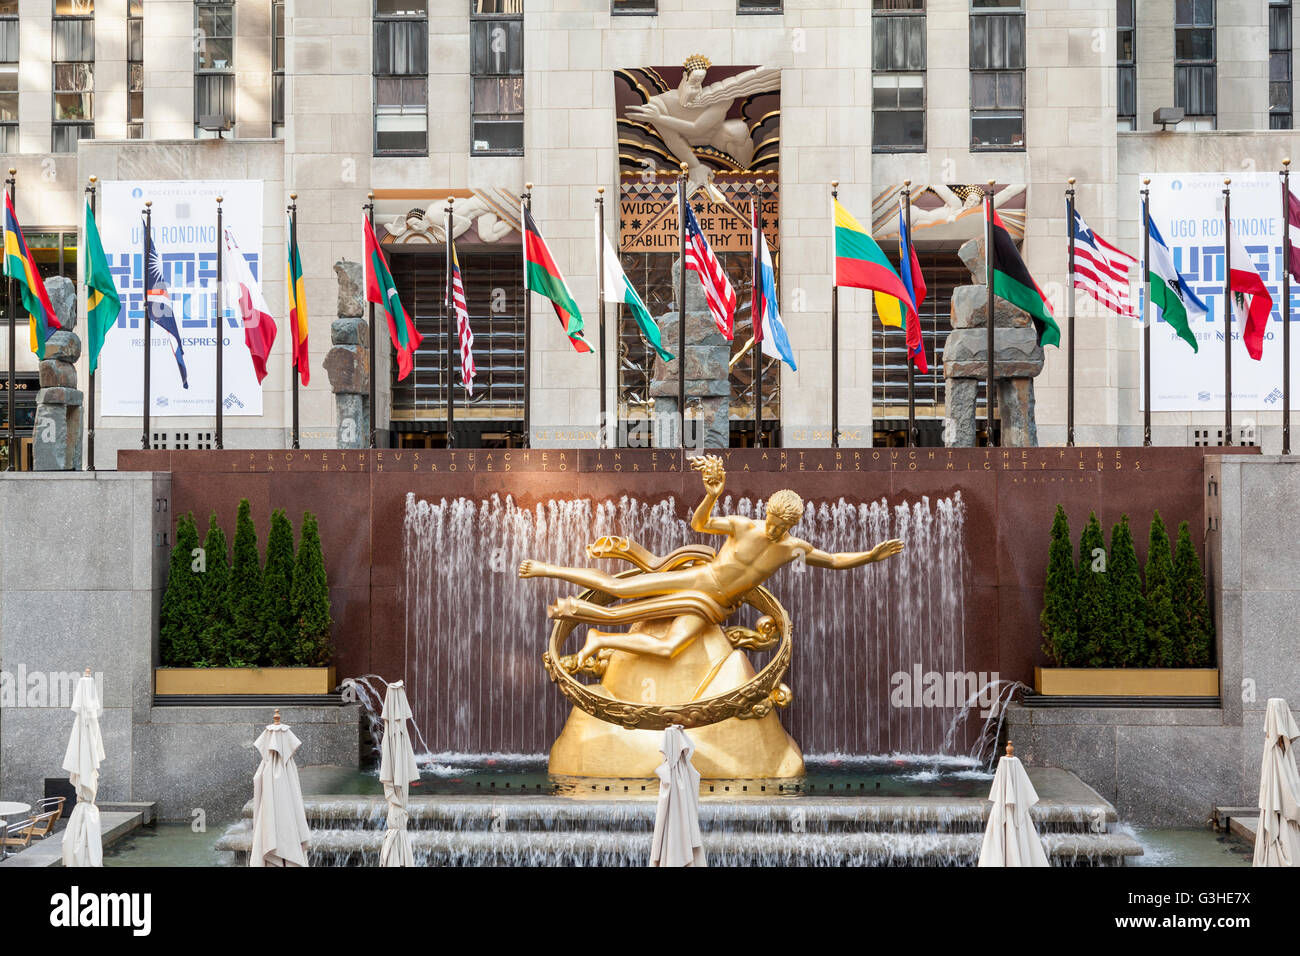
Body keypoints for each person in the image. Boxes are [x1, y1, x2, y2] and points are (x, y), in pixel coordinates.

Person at [519, 455, 903, 669]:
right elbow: (699, 523)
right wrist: (711, 494)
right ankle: (547, 569)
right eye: (771, 520)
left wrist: (870, 555)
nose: (772, 528)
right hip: (697, 581)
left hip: (713, 607)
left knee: (670, 648)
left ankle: (600, 638)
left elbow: (833, 560)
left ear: (791, 525)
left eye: (780, 525)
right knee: (617, 588)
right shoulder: (742, 525)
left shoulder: (790, 547)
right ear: (766, 512)